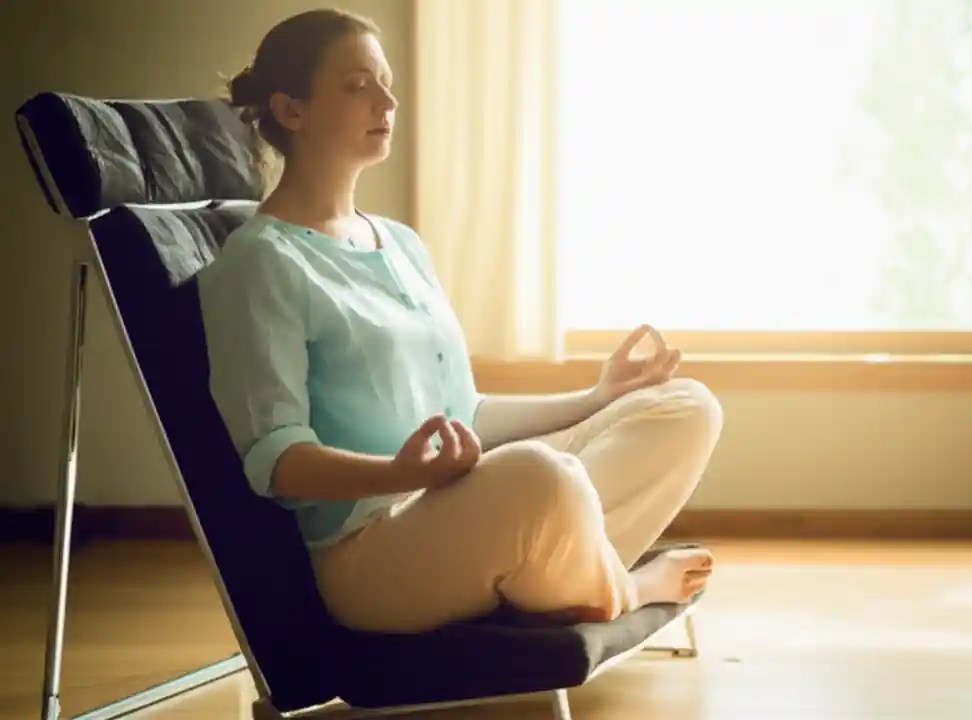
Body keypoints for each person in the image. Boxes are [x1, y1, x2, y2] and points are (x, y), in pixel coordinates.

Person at [198, 8, 723, 635]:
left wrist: (596, 396)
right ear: (291, 111)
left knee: (684, 406)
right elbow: (275, 460)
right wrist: (402, 474)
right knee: (544, 479)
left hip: (456, 503)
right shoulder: (261, 261)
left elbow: (464, 412)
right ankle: (623, 589)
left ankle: (558, 573)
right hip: (370, 554)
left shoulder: (398, 243)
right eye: (358, 85)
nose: (387, 101)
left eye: (387, 82)